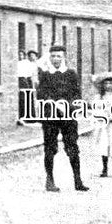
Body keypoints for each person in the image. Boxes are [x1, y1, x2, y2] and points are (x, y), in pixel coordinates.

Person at [38, 44, 88, 193]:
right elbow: (41, 95)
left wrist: (68, 106)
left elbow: (77, 95)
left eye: (58, 56)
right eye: (53, 56)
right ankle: (50, 181)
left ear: (64, 57)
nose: (55, 59)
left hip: (68, 116)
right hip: (50, 117)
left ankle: (78, 181)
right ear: (50, 57)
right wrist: (53, 104)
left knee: (72, 147)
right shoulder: (45, 75)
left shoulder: (71, 74)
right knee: (50, 148)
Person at [16, 49, 38, 125]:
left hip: (28, 81)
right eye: (32, 56)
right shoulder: (19, 63)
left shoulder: (30, 63)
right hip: (22, 80)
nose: (33, 57)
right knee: (23, 99)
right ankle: (23, 117)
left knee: (29, 98)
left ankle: (30, 117)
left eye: (34, 56)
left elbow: (32, 74)